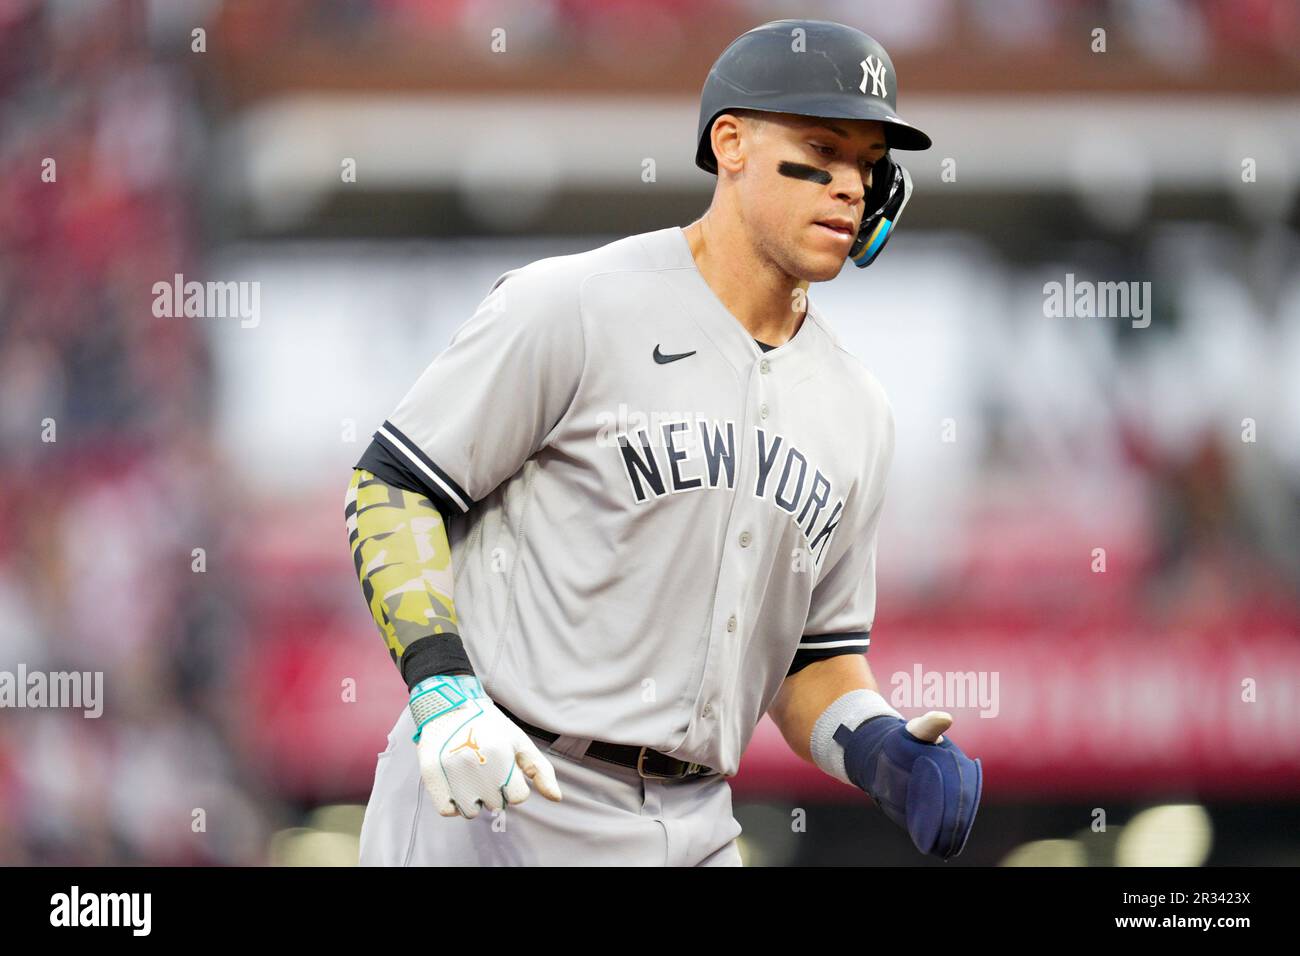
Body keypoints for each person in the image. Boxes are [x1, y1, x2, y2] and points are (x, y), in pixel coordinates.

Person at [344, 18, 981, 866]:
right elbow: (393, 486)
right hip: (502, 794)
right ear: (732, 144)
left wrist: (881, 748)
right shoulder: (576, 304)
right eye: (823, 150)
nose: (851, 187)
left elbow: (814, 659)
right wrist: (440, 686)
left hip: (697, 822)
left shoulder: (858, 408)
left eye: (869, 164)